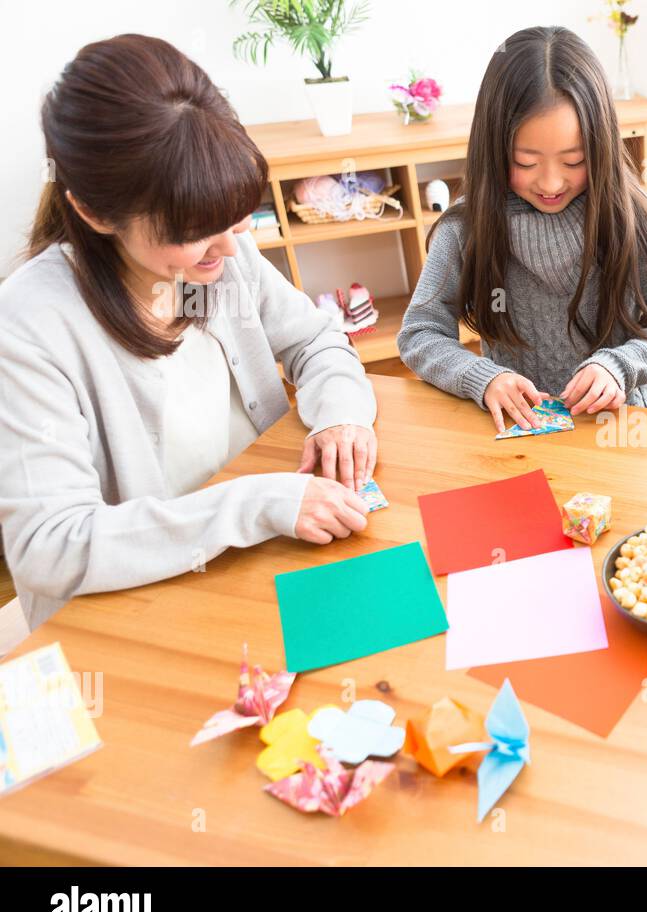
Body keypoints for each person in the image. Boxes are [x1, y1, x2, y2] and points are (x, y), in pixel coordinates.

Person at [0, 34, 378, 634]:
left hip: (265, 561)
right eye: (196, 229)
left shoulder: (213, 260)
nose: (231, 246)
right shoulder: (33, 325)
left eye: (236, 217)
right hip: (144, 611)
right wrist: (257, 505)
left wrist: (341, 416)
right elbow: (54, 547)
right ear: (97, 215)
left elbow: (314, 341)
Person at [397, 25, 647, 433]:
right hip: (519, 429)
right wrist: (482, 378)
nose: (552, 183)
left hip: (625, 426)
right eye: (525, 162)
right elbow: (419, 333)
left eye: (574, 161)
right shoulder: (468, 227)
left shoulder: (629, 216)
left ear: (601, 147)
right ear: (493, 147)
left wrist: (619, 366)